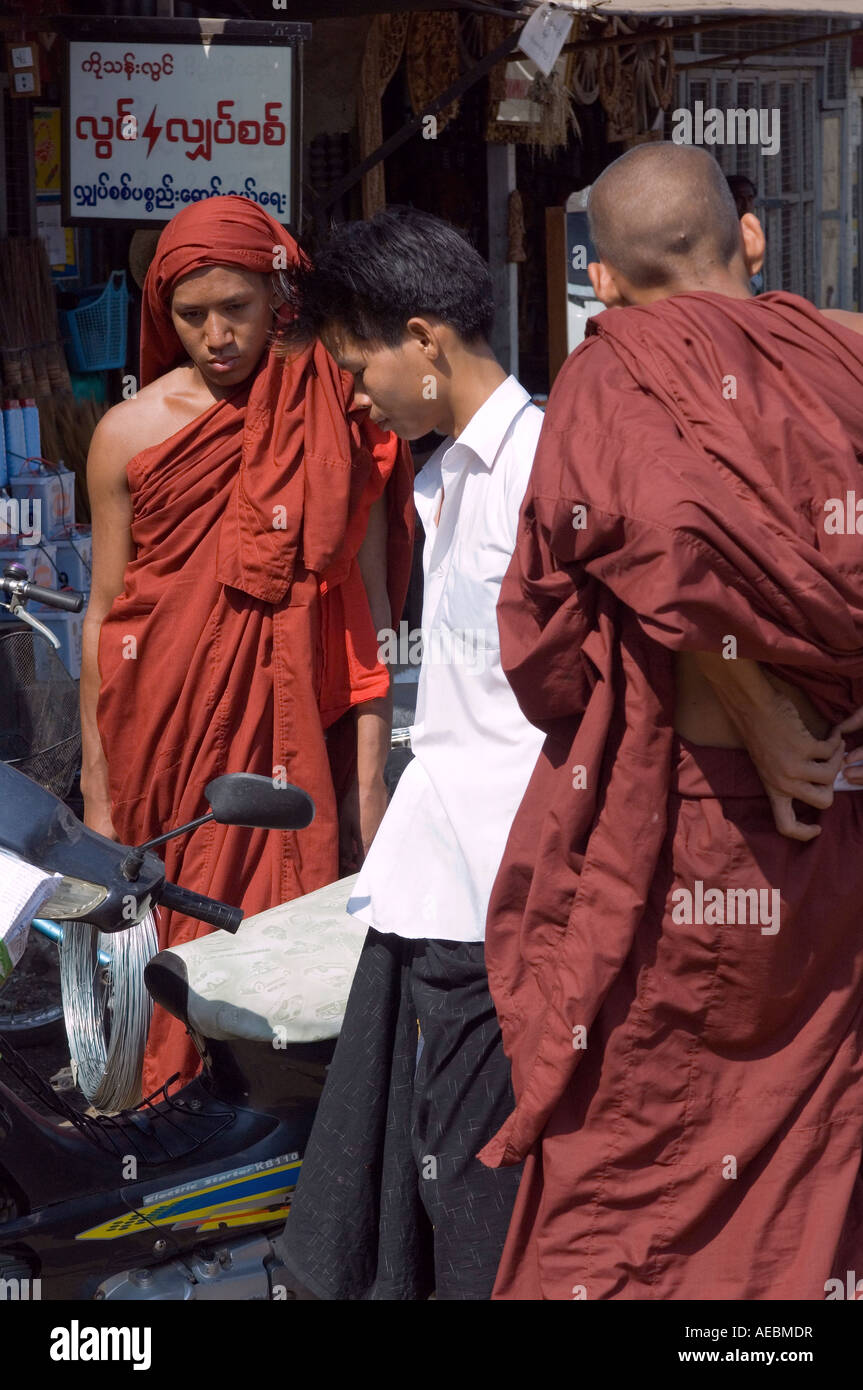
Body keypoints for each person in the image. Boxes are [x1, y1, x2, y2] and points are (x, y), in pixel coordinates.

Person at [478, 143, 863, 1300]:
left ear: (601, 278)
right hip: (828, 820)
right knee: (805, 1153)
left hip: (690, 833)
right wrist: (774, 694)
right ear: (747, 238)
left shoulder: (610, 373)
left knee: (643, 1144)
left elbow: (653, 540)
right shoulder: (841, 355)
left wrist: (736, 690)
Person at [268, 208, 548, 1300]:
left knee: (478, 1185)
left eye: (357, 362)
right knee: (407, 1182)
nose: (352, 391)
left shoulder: (542, 472)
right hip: (432, 894)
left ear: (423, 340)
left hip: (507, 902)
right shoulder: (439, 483)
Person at [81, 196, 414, 1094]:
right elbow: (105, 612)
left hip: (299, 729)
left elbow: (371, 607)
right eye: (192, 316)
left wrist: (370, 780)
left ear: (281, 300)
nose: (218, 335)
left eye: (239, 308)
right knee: (174, 935)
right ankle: (172, 1125)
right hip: (164, 732)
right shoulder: (128, 432)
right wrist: (98, 788)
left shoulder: (342, 411)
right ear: (164, 316)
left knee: (289, 947)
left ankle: (278, 1150)